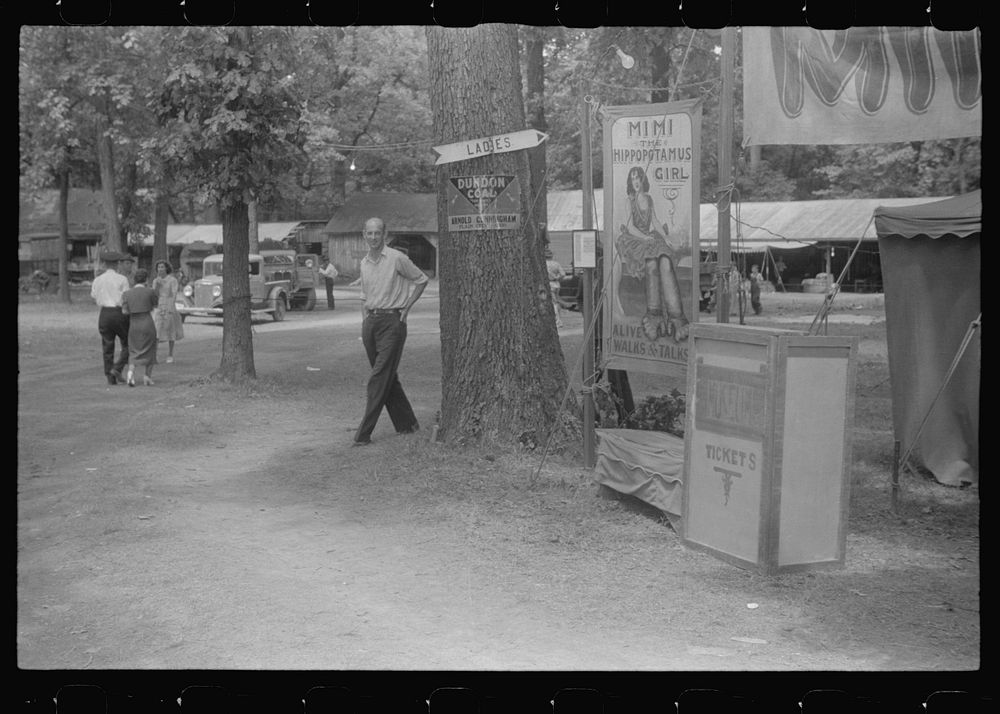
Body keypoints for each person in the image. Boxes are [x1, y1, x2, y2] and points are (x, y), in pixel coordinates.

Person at [352, 217, 428, 446]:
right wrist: (365, 319)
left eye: (377, 233)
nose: (373, 237)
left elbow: (421, 279)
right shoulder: (364, 263)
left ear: (384, 234)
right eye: (369, 233)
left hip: (392, 323)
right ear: (364, 235)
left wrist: (406, 307)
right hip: (371, 323)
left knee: (378, 377)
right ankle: (408, 424)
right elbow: (364, 295)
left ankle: (363, 434)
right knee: (387, 377)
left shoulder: (397, 258)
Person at [615, 166, 690, 342]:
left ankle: (677, 316)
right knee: (651, 264)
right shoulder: (629, 200)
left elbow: (655, 221)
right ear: (630, 181)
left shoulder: (648, 199)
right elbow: (631, 227)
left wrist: (666, 237)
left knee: (665, 261)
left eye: (638, 178)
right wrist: (645, 238)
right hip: (634, 238)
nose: (635, 182)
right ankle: (654, 313)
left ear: (643, 181)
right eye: (632, 178)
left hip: (649, 237)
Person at [90, 252, 131, 385]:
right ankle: (117, 368)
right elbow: (126, 298)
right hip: (118, 312)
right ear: (118, 263)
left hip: (104, 313)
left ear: (104, 264)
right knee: (127, 343)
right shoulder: (122, 279)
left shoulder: (98, 280)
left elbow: (94, 296)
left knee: (107, 345)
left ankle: (109, 375)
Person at [121, 268, 159, 387]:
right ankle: (147, 376)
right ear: (146, 279)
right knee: (150, 348)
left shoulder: (126, 294)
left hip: (134, 323)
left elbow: (124, 311)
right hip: (147, 321)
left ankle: (130, 373)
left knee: (134, 350)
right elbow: (155, 305)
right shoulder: (151, 292)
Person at [151, 260, 184, 363]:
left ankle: (170, 354)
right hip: (159, 306)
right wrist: (157, 285)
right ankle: (155, 355)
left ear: (166, 268)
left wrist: (169, 308)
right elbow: (154, 295)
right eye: (159, 267)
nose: (160, 269)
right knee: (157, 330)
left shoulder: (172, 280)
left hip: (169, 305)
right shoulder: (156, 280)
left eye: (162, 267)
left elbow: (173, 294)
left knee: (170, 330)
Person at [544, 248, 566, 328]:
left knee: (553, 303)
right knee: (557, 302)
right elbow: (563, 274)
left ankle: (557, 321)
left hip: (549, 284)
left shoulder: (544, 264)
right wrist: (557, 278)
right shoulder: (556, 264)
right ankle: (559, 319)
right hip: (556, 283)